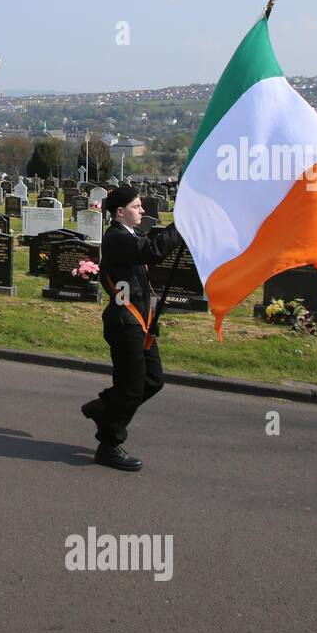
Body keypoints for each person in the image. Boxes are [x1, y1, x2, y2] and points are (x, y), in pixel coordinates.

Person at [81, 186, 183, 471]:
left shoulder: (128, 236)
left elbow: (148, 249)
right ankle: (109, 444)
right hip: (126, 325)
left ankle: (103, 407)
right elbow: (154, 251)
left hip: (139, 323)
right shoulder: (116, 238)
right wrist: (182, 225)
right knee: (131, 388)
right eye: (137, 207)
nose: (142, 211)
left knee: (153, 380)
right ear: (120, 212)